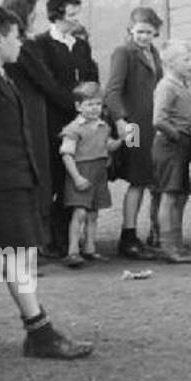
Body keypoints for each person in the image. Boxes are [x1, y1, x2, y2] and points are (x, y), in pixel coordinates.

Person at [0, 5, 93, 359]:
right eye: (16, 37)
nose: (21, 43)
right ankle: (39, 331)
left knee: (21, 253)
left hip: (13, 178)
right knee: (15, 254)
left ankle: (39, 331)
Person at [0, 0, 75, 238]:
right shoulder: (25, 45)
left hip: (24, 112)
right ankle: (37, 239)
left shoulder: (13, 43)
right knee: (37, 173)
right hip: (31, 114)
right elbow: (46, 82)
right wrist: (76, 105)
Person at [33, 0, 100, 258]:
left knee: (74, 180)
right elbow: (46, 83)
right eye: (71, 14)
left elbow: (91, 76)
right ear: (57, 14)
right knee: (55, 174)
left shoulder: (81, 45)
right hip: (55, 121)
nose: (75, 19)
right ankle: (50, 238)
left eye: (77, 13)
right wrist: (72, 104)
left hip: (81, 121)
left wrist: (90, 108)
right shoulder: (41, 44)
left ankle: (66, 239)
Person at [107, 7, 164, 260]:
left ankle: (155, 232)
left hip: (153, 126)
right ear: (130, 30)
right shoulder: (123, 52)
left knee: (153, 179)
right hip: (133, 126)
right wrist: (120, 120)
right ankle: (127, 236)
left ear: (156, 33)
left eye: (148, 32)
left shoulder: (154, 52)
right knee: (137, 178)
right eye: (139, 31)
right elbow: (112, 91)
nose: (143, 36)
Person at [57, 81, 121, 266]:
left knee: (93, 213)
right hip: (82, 172)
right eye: (89, 104)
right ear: (78, 106)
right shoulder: (73, 129)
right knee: (80, 213)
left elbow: (108, 145)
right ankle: (73, 251)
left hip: (99, 173)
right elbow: (67, 154)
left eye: (98, 104)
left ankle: (90, 248)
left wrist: (124, 140)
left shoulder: (104, 126)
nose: (94, 109)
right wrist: (76, 177)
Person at [151, 41, 191, 263]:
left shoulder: (183, 84)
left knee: (180, 196)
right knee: (169, 196)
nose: (190, 64)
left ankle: (178, 243)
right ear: (170, 63)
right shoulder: (166, 86)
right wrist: (177, 135)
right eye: (185, 60)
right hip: (170, 146)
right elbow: (158, 120)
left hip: (181, 145)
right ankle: (168, 246)